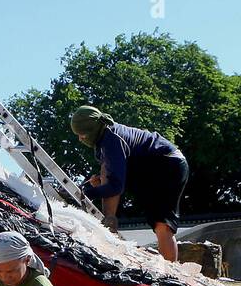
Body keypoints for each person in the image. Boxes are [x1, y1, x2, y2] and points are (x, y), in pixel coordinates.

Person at [69, 105, 189, 263]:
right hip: (152, 168)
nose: (80, 139)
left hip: (168, 165)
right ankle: (109, 219)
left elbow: (116, 186)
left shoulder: (111, 139)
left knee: (162, 224)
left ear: (91, 129)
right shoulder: (105, 137)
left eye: (82, 134)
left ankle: (171, 276)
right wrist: (97, 187)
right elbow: (113, 175)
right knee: (106, 170)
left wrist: (86, 193)